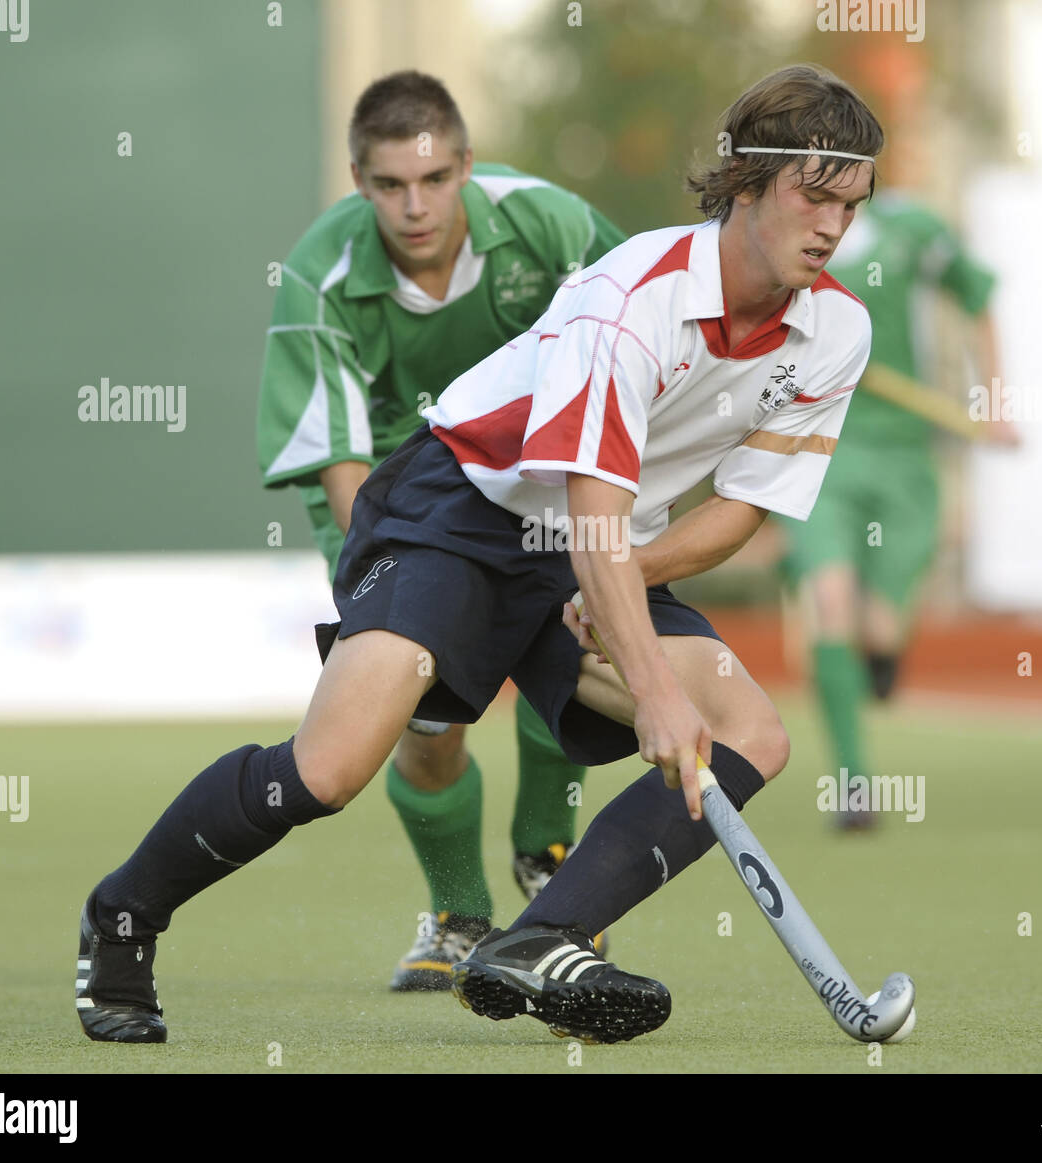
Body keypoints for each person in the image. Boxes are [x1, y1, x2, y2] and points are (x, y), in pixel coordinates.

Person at [74, 63, 883, 1046]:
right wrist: (649, 681)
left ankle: (541, 935)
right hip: (458, 506)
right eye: (814, 195)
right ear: (746, 185)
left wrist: (632, 583)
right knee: (329, 767)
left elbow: (741, 509)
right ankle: (122, 916)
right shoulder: (632, 293)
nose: (834, 225)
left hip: (599, 543)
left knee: (751, 732)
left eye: (851, 200)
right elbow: (590, 510)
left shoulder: (836, 327)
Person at [256, 71, 626, 989]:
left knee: (568, 663)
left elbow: (642, 336)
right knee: (422, 715)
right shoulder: (321, 274)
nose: (414, 207)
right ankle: (460, 915)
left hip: (536, 472)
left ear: (465, 165)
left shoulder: (554, 225)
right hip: (395, 495)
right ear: (358, 180)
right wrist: (406, 593)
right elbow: (343, 464)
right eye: (388, 185)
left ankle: (548, 860)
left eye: (432, 179)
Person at [774, 156, 1011, 830]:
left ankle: (881, 652)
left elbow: (978, 297)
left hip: (907, 456)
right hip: (824, 451)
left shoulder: (915, 232)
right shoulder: (785, 237)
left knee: (877, 625)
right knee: (830, 603)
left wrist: (994, 401)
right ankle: (854, 785)